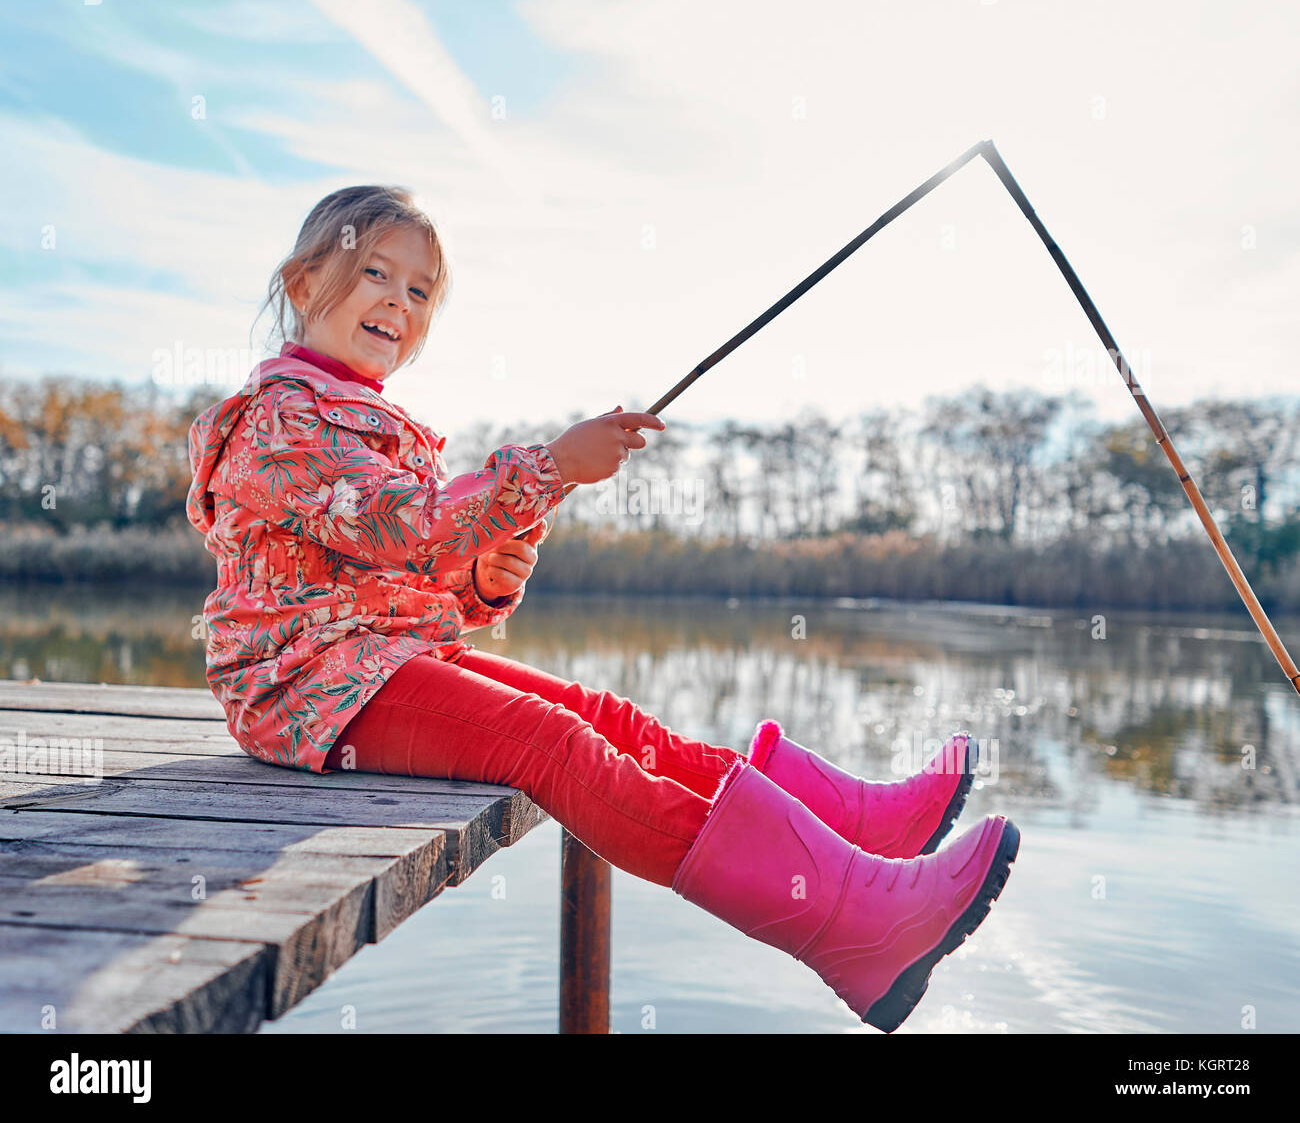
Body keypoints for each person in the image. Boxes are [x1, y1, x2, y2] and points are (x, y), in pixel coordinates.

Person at [185, 184, 1019, 1032]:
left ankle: (859, 829)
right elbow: (404, 529)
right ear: (301, 284)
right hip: (307, 692)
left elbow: (409, 580)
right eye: (375, 272)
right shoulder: (281, 423)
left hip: (372, 668)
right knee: (555, 746)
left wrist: (480, 583)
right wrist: (551, 467)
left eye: (421, 290)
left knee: (600, 712)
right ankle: (853, 925)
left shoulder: (365, 421)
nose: (398, 301)